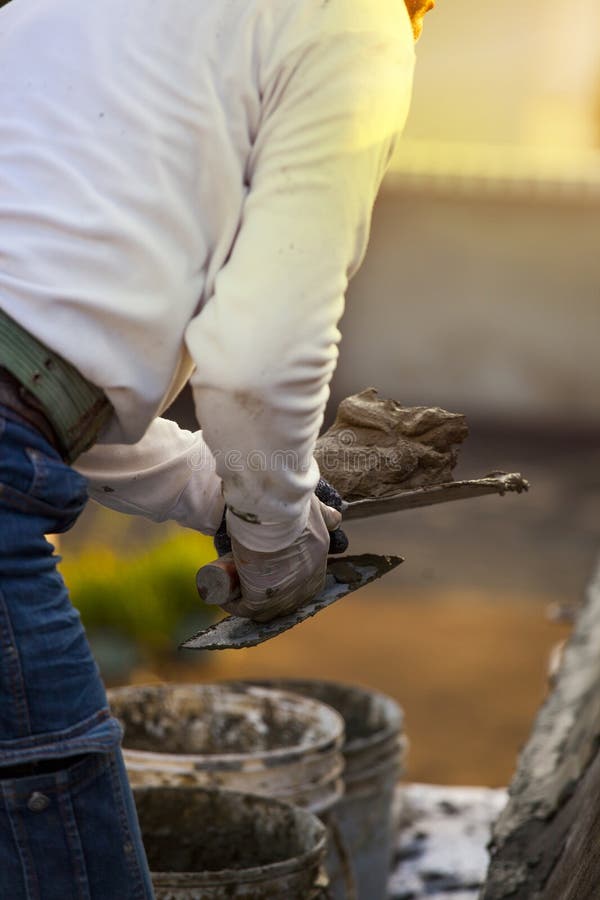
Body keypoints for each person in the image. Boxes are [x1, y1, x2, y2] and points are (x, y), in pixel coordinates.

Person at [0, 0, 431, 895]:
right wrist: (275, 540)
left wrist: (209, 485)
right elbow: (258, 362)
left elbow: (37, 361)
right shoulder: (355, 24)